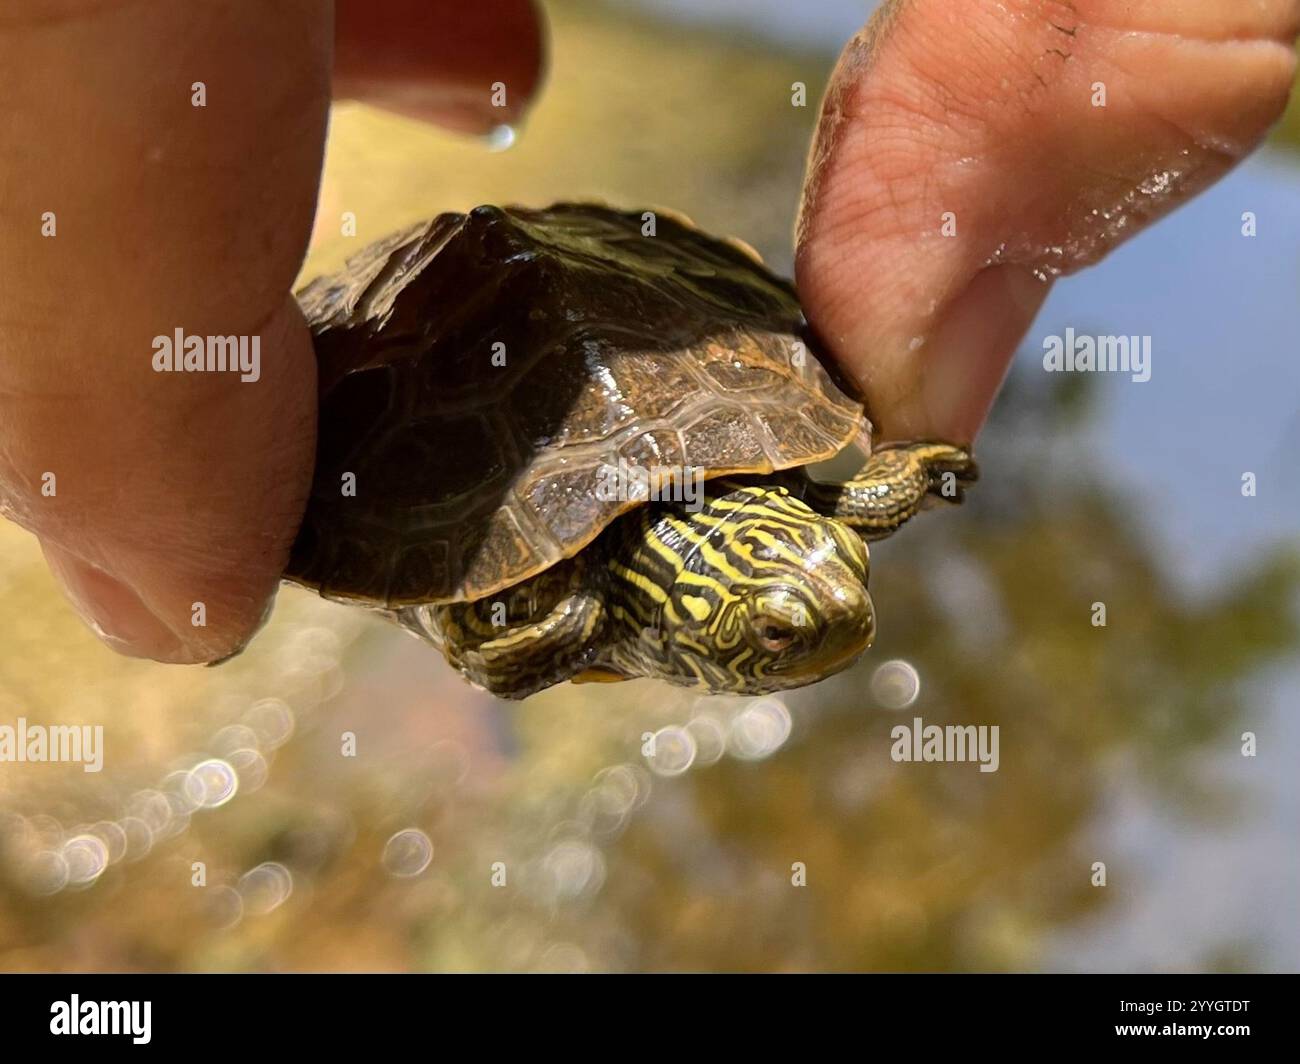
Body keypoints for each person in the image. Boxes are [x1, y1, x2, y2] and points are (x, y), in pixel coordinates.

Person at [0, 0, 1294, 664]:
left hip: (621, 292)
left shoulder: (794, 526)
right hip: (520, 319)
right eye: (807, 614)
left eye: (809, 597)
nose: (841, 600)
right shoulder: (562, 609)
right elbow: (504, 605)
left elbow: (856, 505)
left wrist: (878, 500)